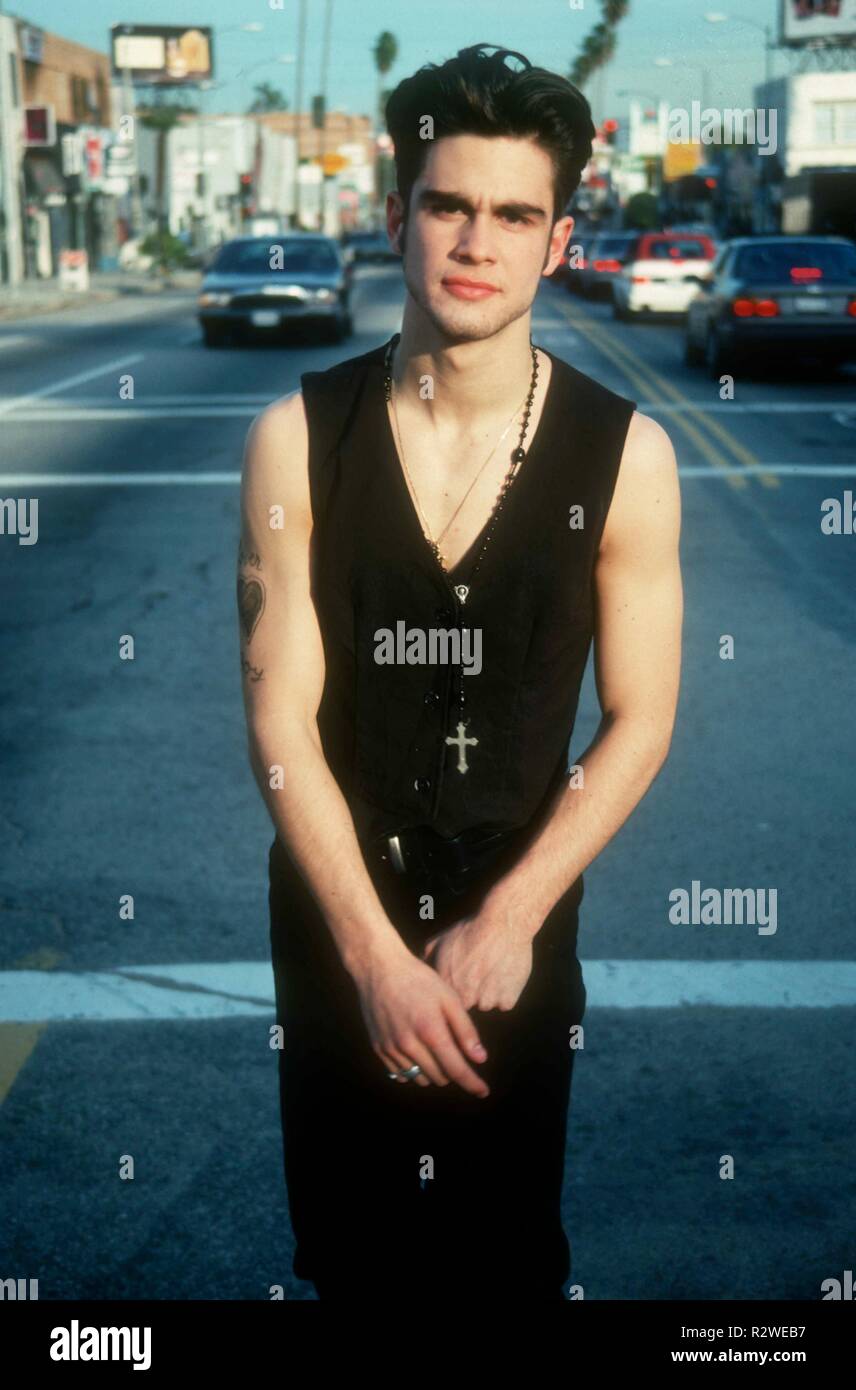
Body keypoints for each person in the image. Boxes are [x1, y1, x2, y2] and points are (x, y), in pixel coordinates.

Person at [238, 43, 683, 1301]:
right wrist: (373, 960)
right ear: (397, 216)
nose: (475, 240)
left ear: (557, 242)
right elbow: (280, 717)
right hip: (336, 926)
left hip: (515, 924)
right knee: (351, 1258)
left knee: (503, 1258)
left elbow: (641, 717)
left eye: (514, 214)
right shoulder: (296, 440)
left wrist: (513, 915)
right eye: (448, 204)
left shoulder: (624, 456)